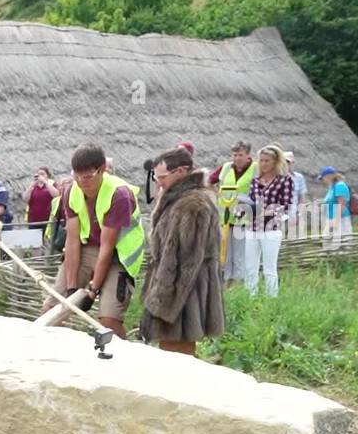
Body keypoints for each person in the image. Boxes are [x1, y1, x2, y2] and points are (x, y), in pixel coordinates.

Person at [48, 143, 145, 340]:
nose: (80, 181)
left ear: (102, 170)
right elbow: (72, 240)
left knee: (108, 320)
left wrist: (92, 291)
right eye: (76, 175)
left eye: (86, 176)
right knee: (52, 308)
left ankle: (123, 358)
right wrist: (72, 288)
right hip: (86, 248)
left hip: (118, 255)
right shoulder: (70, 191)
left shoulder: (119, 194)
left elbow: (107, 248)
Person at [139, 147, 224, 357]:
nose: (158, 182)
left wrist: (165, 300)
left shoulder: (193, 204)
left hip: (183, 292)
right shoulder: (176, 199)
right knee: (170, 352)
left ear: (181, 172)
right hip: (172, 286)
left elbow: (187, 261)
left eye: (162, 177)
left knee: (177, 355)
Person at [245, 144, 293, 297]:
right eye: (261, 161)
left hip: (271, 229)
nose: (263, 164)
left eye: (267, 161)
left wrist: (266, 212)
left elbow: (285, 205)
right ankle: (250, 298)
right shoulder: (255, 181)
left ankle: (271, 299)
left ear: (275, 162)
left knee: (269, 268)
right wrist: (242, 209)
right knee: (250, 268)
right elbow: (250, 201)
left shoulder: (285, 180)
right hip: (252, 227)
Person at [208, 141, 255, 283]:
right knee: (225, 253)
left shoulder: (256, 168)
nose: (237, 158)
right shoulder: (226, 168)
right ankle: (227, 282)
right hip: (225, 217)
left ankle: (239, 282)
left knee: (240, 253)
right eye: (234, 155)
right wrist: (216, 195)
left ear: (248, 155)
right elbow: (209, 181)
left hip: (244, 217)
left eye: (240, 155)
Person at [317, 166, 353, 247]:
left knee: (339, 243)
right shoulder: (332, 187)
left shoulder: (339, 186)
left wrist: (335, 222)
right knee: (329, 243)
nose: (323, 181)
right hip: (331, 218)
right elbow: (331, 201)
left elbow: (341, 204)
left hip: (340, 219)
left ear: (328, 176)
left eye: (323, 179)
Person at [284, 150, 308, 235]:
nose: (285, 164)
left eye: (288, 162)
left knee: (293, 239)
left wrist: (299, 214)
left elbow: (302, 198)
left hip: (293, 213)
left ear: (292, 163)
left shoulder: (299, 177)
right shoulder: (275, 177)